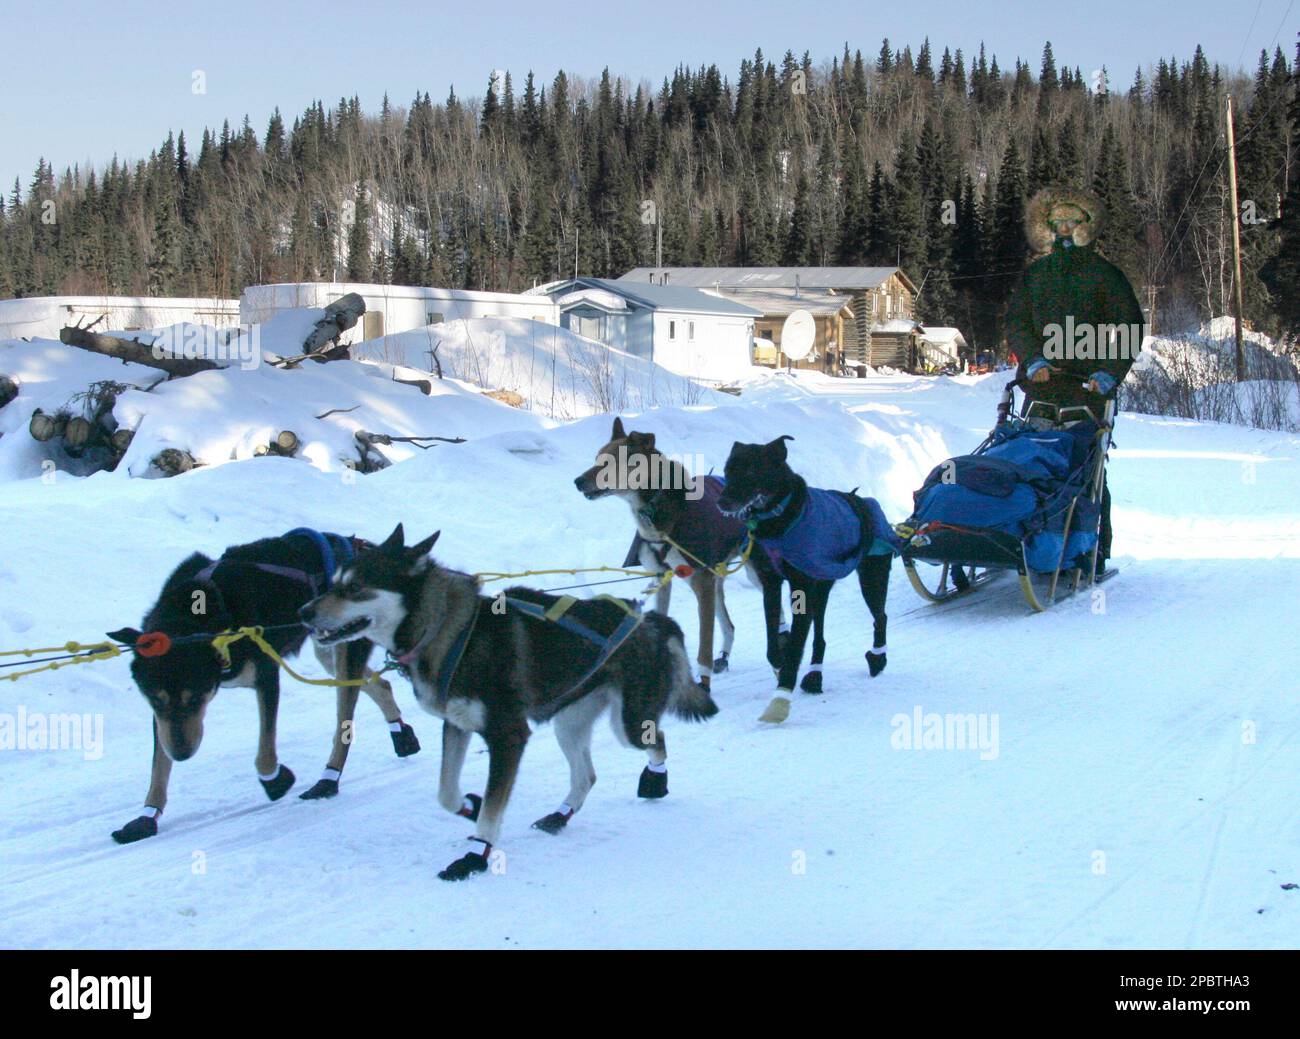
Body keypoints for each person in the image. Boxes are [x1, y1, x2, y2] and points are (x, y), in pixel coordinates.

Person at [1006, 185, 1145, 575]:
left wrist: (1109, 370)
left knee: (1087, 467)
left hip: (1089, 388)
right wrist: (1032, 360)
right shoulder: (1035, 275)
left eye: (1073, 220)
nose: (1064, 228)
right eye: (1057, 222)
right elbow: (1016, 322)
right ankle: (1035, 539)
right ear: (1046, 227)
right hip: (1041, 387)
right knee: (1034, 462)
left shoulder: (1105, 275)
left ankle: (1091, 548)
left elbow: (1131, 326)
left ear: (1088, 225)